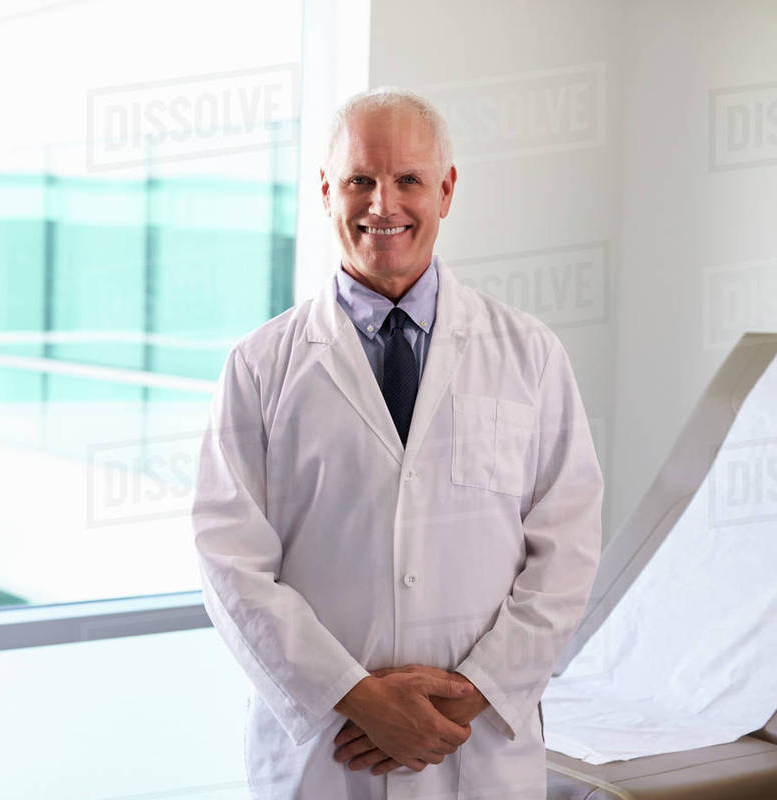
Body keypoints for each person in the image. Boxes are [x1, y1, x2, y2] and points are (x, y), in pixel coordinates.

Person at [191, 87, 603, 799]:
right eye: (360, 180)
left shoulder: (529, 354)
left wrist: (473, 691)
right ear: (326, 192)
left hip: (473, 753)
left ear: (445, 190)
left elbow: (566, 549)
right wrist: (356, 696)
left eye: (408, 179)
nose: (383, 204)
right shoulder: (259, 366)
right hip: (328, 753)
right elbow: (229, 563)